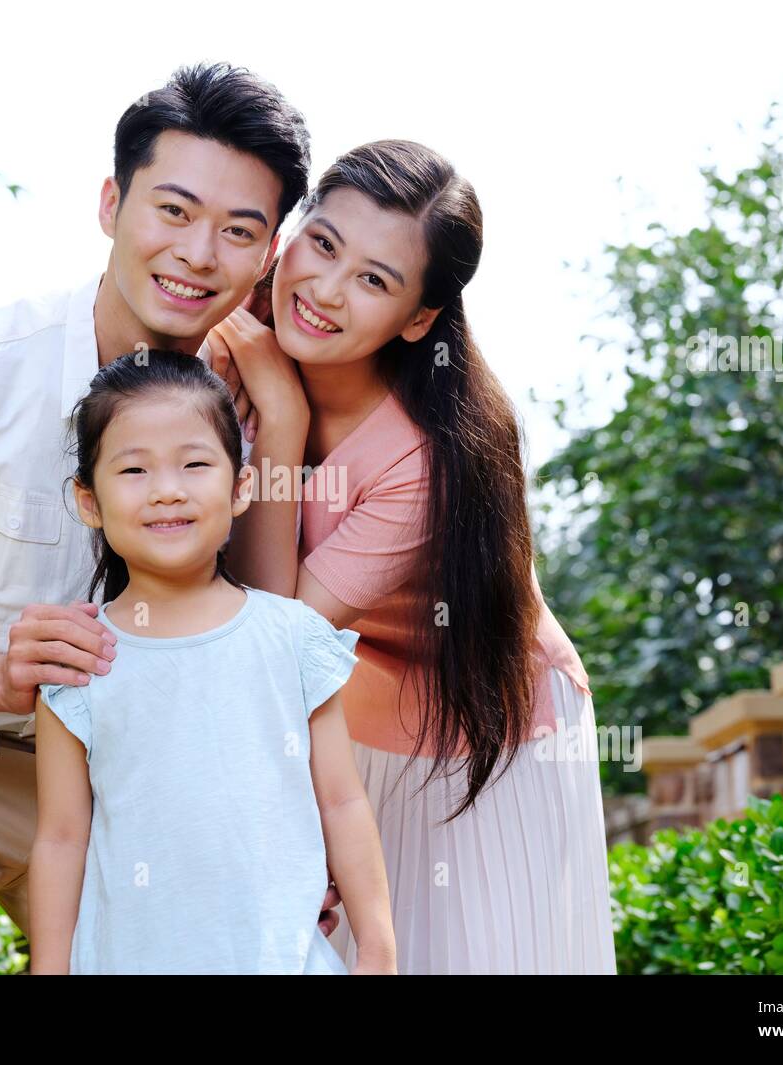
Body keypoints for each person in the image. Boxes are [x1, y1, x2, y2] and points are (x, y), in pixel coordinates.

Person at [0, 62, 348, 974]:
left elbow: (263, 646)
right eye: (173, 210)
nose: (200, 254)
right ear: (110, 204)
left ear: (268, 253)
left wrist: (279, 424)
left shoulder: (254, 401)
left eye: (238, 231)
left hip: (125, 771)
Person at [205, 140, 618, 974]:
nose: (323, 290)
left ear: (419, 318)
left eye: (374, 280)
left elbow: (274, 638)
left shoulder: (425, 462)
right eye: (322, 243)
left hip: (489, 731)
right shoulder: (231, 329)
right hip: (347, 716)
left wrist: (280, 418)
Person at [29, 350, 395, 974]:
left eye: (195, 464)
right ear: (88, 501)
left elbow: (342, 801)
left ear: (241, 486)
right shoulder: (79, 665)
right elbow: (62, 839)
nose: (168, 490)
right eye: (134, 469)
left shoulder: (292, 637)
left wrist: (378, 949)